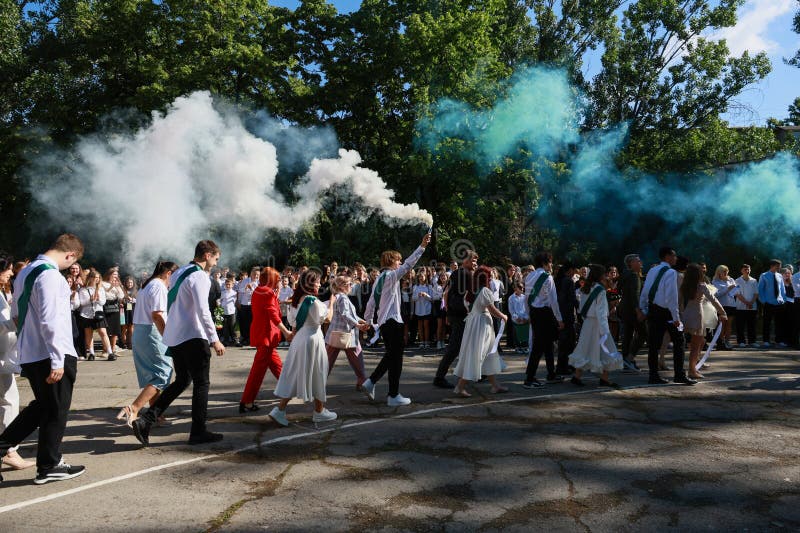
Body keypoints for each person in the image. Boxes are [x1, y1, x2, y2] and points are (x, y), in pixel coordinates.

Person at [0, 234, 86, 484]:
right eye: (72, 262)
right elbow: (51, 320)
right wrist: (58, 359)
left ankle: (7, 446)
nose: (70, 267)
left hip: (32, 352)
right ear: (70, 255)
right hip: (50, 352)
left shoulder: (25, 272)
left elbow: (17, 316)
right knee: (56, 410)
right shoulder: (50, 275)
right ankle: (49, 465)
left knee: (43, 407)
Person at [131, 240, 226, 446]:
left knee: (182, 380)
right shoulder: (200, 276)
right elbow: (203, 310)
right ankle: (198, 431)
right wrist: (215, 339)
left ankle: (146, 420)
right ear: (207, 255)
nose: (216, 263)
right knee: (202, 383)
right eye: (216, 259)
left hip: (176, 337)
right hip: (193, 335)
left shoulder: (179, 272)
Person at [362, 233, 431, 405]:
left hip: (385, 323)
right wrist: (422, 246)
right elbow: (409, 264)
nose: (400, 263)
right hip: (392, 323)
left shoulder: (378, 278)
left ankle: (373, 383)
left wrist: (368, 322)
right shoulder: (391, 276)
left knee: (391, 356)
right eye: (398, 260)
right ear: (391, 262)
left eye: (400, 260)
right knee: (395, 358)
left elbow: (370, 303)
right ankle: (392, 395)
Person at [268, 270, 337, 426]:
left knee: (295, 374)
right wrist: (332, 302)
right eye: (317, 282)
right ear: (310, 284)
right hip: (312, 339)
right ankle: (319, 412)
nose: (319, 284)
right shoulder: (312, 301)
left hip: (300, 339)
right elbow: (327, 318)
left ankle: (280, 410)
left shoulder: (296, 300)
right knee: (318, 373)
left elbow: (293, 323)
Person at [118, 261, 178, 427]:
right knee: (162, 374)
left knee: (153, 375)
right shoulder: (158, 286)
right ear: (168, 274)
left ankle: (156, 415)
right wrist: (167, 336)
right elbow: (157, 315)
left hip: (141, 332)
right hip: (151, 332)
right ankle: (134, 408)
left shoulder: (147, 286)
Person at [0, 253, 36, 472]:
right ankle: (9, 450)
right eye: (8, 269)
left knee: (8, 400)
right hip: (1, 359)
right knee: (9, 401)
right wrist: (14, 322)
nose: (11, 273)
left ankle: (9, 450)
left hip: (5, 358)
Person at [239, 267, 293, 413]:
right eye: (277, 279)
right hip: (266, 335)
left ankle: (289, 388)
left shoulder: (260, 290)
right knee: (257, 372)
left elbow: (268, 308)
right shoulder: (267, 292)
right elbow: (273, 314)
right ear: (271, 279)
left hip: (263, 334)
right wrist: (286, 331)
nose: (279, 281)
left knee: (277, 366)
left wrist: (277, 293)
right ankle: (247, 401)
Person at [640, 247, 694, 385]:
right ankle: (679, 375)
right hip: (666, 311)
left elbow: (646, 290)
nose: (676, 258)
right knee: (679, 342)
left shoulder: (653, 270)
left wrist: (643, 308)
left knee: (653, 344)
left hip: (653, 309)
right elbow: (671, 296)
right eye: (674, 256)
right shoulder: (671, 272)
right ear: (667, 256)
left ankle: (653, 375)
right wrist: (676, 318)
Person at [452, 266, 509, 396]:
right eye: (490, 277)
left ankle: (495, 386)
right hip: (482, 325)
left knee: (487, 354)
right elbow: (492, 309)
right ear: (486, 278)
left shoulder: (471, 292)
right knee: (478, 354)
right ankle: (460, 387)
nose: (491, 279)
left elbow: (469, 308)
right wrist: (503, 316)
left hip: (474, 324)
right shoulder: (485, 291)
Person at [568, 264, 623, 388]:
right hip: (598, 324)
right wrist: (605, 331)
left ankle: (577, 377)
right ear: (600, 275)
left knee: (584, 349)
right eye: (604, 273)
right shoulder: (600, 290)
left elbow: (581, 308)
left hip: (588, 323)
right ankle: (604, 379)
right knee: (606, 350)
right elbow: (601, 313)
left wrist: (587, 320)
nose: (606, 275)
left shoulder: (586, 288)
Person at [433, 249, 476, 389]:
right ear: (466, 260)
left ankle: (478, 373)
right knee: (455, 347)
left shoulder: (456, 273)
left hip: (456, 313)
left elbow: (446, 293)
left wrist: (448, 313)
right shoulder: (466, 274)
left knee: (468, 345)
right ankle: (439, 377)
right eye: (473, 260)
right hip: (461, 315)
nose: (475, 263)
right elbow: (469, 296)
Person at [523, 251, 565, 388]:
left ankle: (551, 373)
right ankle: (529, 379)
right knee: (538, 346)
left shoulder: (529, 276)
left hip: (534, 312)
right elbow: (553, 301)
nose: (552, 265)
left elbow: (526, 298)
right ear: (544, 263)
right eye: (550, 262)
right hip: (545, 313)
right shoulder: (548, 277)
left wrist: (529, 314)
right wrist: (559, 319)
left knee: (547, 344)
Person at [680, 263, 727, 379]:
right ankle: (692, 370)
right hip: (697, 314)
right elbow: (713, 299)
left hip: (686, 313)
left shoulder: (683, 286)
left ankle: (687, 369)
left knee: (684, 343)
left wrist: (680, 314)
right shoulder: (701, 286)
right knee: (696, 346)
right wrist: (722, 312)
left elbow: (679, 302)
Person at [325, 275, 370, 390]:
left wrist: (361, 321)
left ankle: (317, 383)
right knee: (357, 358)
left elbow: (350, 315)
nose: (352, 286)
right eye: (350, 284)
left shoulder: (339, 296)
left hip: (336, 334)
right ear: (342, 286)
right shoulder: (343, 298)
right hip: (346, 334)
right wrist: (358, 325)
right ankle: (362, 381)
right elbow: (345, 314)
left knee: (327, 361)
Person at [74, 269, 116, 361]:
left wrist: (98, 299)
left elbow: (103, 302)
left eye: (98, 277)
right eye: (95, 277)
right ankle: (91, 353)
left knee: (103, 332)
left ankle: (110, 353)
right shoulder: (83, 289)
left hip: (98, 313)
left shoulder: (101, 289)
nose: (97, 279)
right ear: (90, 278)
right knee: (89, 334)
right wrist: (90, 300)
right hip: (86, 314)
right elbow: (82, 303)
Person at [619, 253, 646, 372]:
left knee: (628, 335)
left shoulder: (625, 274)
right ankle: (629, 359)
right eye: (637, 261)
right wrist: (638, 311)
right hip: (632, 310)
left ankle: (626, 361)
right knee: (644, 333)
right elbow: (634, 295)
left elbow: (619, 289)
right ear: (631, 263)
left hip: (624, 309)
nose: (640, 262)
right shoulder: (634, 276)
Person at [554, 262, 577, 376]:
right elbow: (571, 299)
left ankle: (563, 366)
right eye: (574, 270)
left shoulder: (557, 280)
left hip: (559, 314)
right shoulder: (568, 281)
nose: (574, 273)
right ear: (570, 270)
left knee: (563, 343)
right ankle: (565, 366)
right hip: (567, 316)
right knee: (569, 343)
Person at [757, 259, 785, 348]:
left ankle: (779, 340)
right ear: (772, 266)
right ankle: (766, 341)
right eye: (778, 266)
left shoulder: (780, 276)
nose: (779, 268)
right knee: (767, 323)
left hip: (779, 303)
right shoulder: (764, 275)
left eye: (779, 266)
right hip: (768, 303)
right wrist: (763, 301)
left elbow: (782, 289)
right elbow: (760, 289)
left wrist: (783, 299)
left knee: (779, 323)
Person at [711, 265, 737, 350]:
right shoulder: (715, 281)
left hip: (731, 305)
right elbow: (717, 295)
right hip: (721, 305)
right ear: (719, 272)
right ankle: (720, 343)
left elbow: (736, 292)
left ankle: (727, 342)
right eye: (723, 271)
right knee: (721, 325)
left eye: (727, 271)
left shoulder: (731, 279)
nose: (726, 273)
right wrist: (728, 288)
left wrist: (735, 289)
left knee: (729, 325)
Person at [735, 264, 758, 347]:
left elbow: (756, 293)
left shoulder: (754, 280)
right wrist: (747, 303)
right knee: (740, 325)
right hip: (740, 307)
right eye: (745, 269)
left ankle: (752, 341)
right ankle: (741, 341)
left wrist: (751, 303)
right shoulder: (737, 281)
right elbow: (737, 294)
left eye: (748, 269)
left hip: (752, 306)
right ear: (741, 270)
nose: (747, 271)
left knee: (752, 325)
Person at [237, 267, 260, 346]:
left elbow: (258, 293)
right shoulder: (245, 281)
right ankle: (244, 338)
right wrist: (245, 288)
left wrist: (252, 288)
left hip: (253, 305)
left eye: (257, 275)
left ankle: (251, 338)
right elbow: (240, 291)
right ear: (251, 274)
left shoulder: (259, 282)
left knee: (252, 322)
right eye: (254, 274)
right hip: (244, 304)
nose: (256, 276)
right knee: (244, 322)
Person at [412, 271, 433, 349]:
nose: (421, 278)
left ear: (425, 277)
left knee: (426, 325)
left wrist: (426, 295)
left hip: (427, 309)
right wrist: (418, 295)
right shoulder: (415, 287)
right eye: (419, 277)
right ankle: (421, 342)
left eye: (422, 276)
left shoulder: (429, 286)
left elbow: (432, 299)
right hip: (419, 309)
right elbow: (413, 298)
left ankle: (426, 342)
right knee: (420, 326)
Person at [507, 282, 529, 353]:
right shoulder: (511, 298)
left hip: (524, 318)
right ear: (515, 288)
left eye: (522, 287)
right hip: (516, 319)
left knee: (525, 332)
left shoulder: (525, 297)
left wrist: (526, 317)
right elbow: (511, 310)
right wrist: (516, 318)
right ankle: (518, 347)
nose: (522, 289)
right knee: (516, 333)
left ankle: (525, 346)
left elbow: (527, 308)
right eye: (520, 287)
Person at [219, 277, 238, 346]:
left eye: (229, 284)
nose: (228, 286)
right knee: (225, 327)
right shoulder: (223, 293)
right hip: (224, 312)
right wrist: (218, 303)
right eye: (226, 284)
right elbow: (220, 300)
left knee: (232, 326)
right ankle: (226, 341)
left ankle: (235, 340)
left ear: (232, 285)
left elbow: (235, 301)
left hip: (232, 312)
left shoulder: (234, 293)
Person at [120, 276, 137, 350]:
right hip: (124, 311)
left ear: (133, 283)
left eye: (131, 282)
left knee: (131, 328)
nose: (129, 284)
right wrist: (122, 301)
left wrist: (132, 299)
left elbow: (138, 301)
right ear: (125, 283)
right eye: (128, 282)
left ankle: (130, 343)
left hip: (132, 311)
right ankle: (123, 343)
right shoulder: (122, 291)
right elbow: (119, 300)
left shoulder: (136, 291)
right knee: (124, 328)